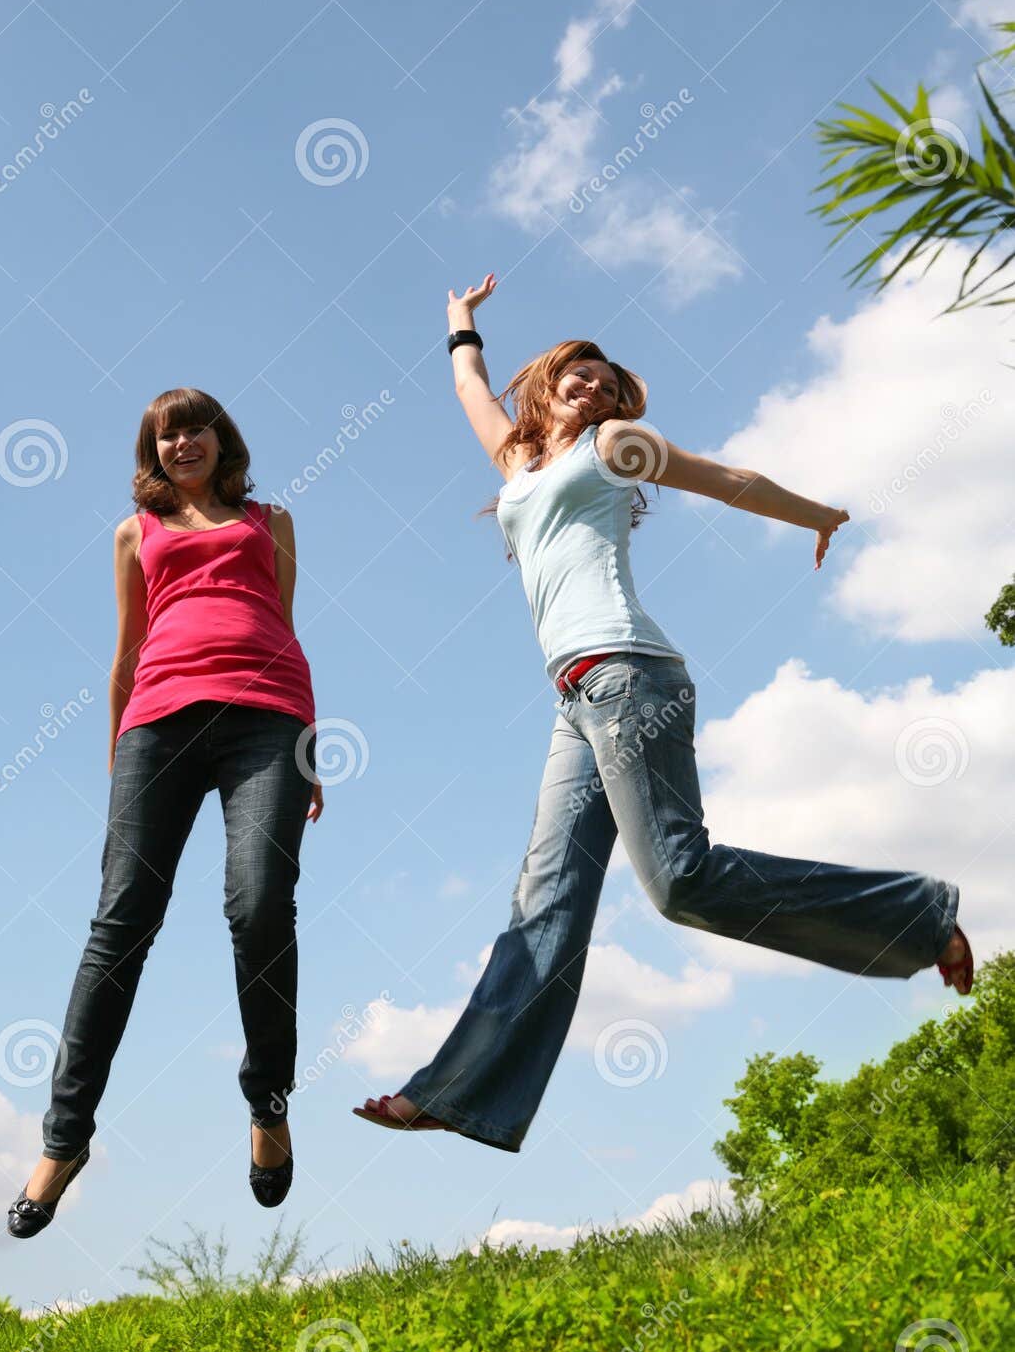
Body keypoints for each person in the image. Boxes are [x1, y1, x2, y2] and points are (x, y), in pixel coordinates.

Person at [353, 274, 972, 1152]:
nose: (596, 390)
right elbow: (466, 389)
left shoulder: (612, 447)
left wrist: (815, 515)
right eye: (581, 375)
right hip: (575, 700)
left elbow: (728, 480)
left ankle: (916, 915)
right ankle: (452, 1091)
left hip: (630, 675)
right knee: (548, 902)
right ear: (547, 383)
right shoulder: (519, 463)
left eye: (609, 383)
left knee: (680, 882)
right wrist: (459, 320)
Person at [7, 388, 323, 1237]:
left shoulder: (272, 521)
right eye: (166, 432)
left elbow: (286, 631)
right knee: (121, 920)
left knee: (258, 905)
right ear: (153, 449)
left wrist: (309, 749)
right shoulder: (132, 533)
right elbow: (126, 652)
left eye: (196, 427)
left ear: (222, 438)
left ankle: (267, 1105)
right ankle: (64, 1139)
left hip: (268, 721)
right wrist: (118, 753)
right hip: (157, 726)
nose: (183, 440)